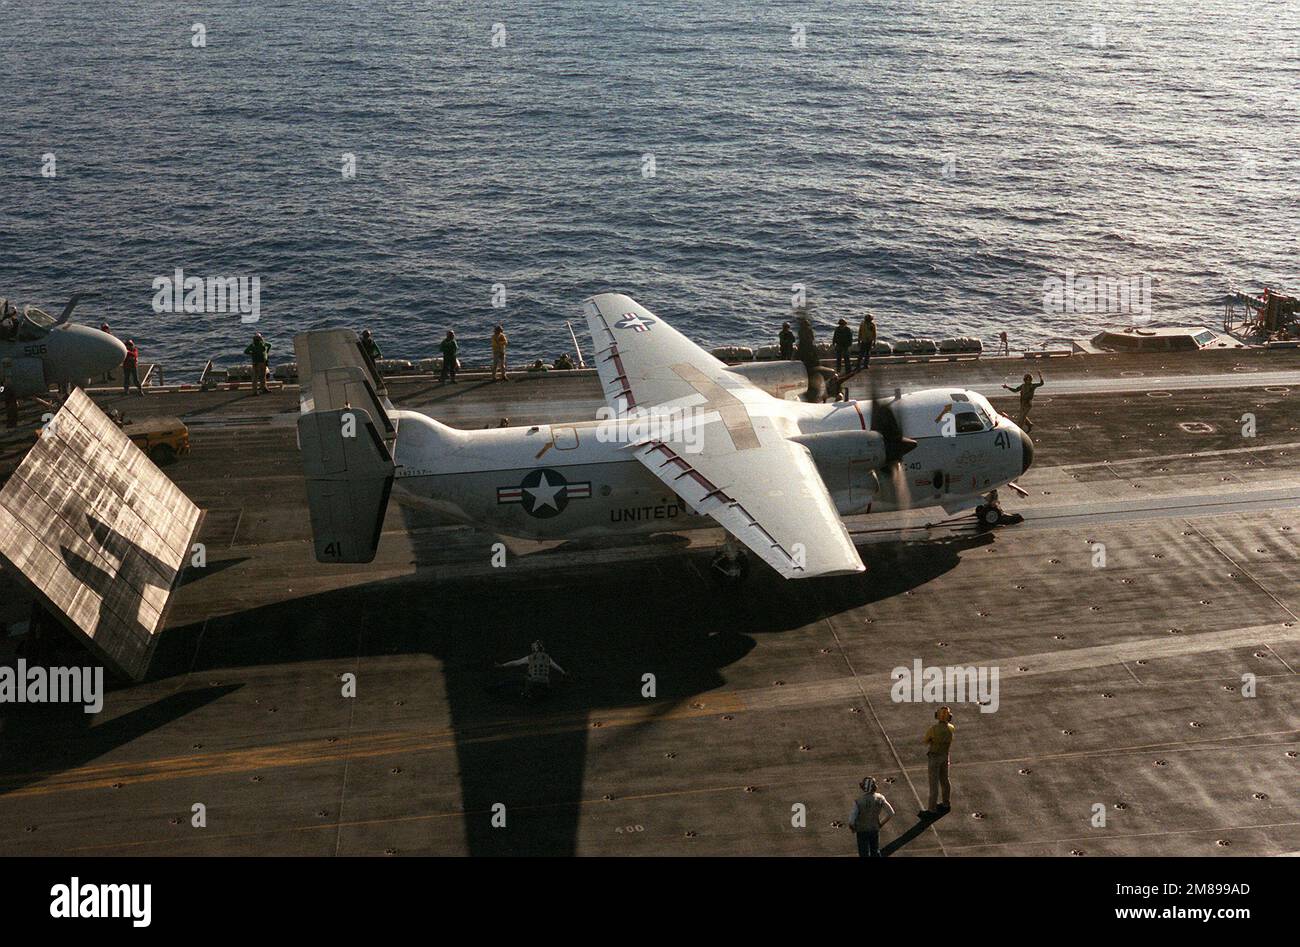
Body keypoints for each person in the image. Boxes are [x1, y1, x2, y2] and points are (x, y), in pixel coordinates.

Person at [496, 640, 567, 699]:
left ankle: (524, 693)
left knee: (517, 679)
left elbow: (515, 662)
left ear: (534, 648)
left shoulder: (530, 657)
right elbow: (557, 667)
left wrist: (502, 665)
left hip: (532, 681)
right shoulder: (548, 658)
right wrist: (564, 673)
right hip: (545, 682)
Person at [921, 706, 955, 817]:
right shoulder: (951, 728)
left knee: (933, 784)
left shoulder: (933, 729)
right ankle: (946, 802)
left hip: (934, 757)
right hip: (945, 755)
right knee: (945, 780)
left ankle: (932, 809)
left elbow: (925, 741)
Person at [849, 776, 895, 857]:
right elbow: (891, 813)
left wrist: (853, 828)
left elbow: (851, 821)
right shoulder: (880, 798)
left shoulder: (858, 801)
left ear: (862, 787)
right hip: (874, 828)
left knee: (864, 853)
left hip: (862, 830)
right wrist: (880, 824)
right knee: (875, 851)